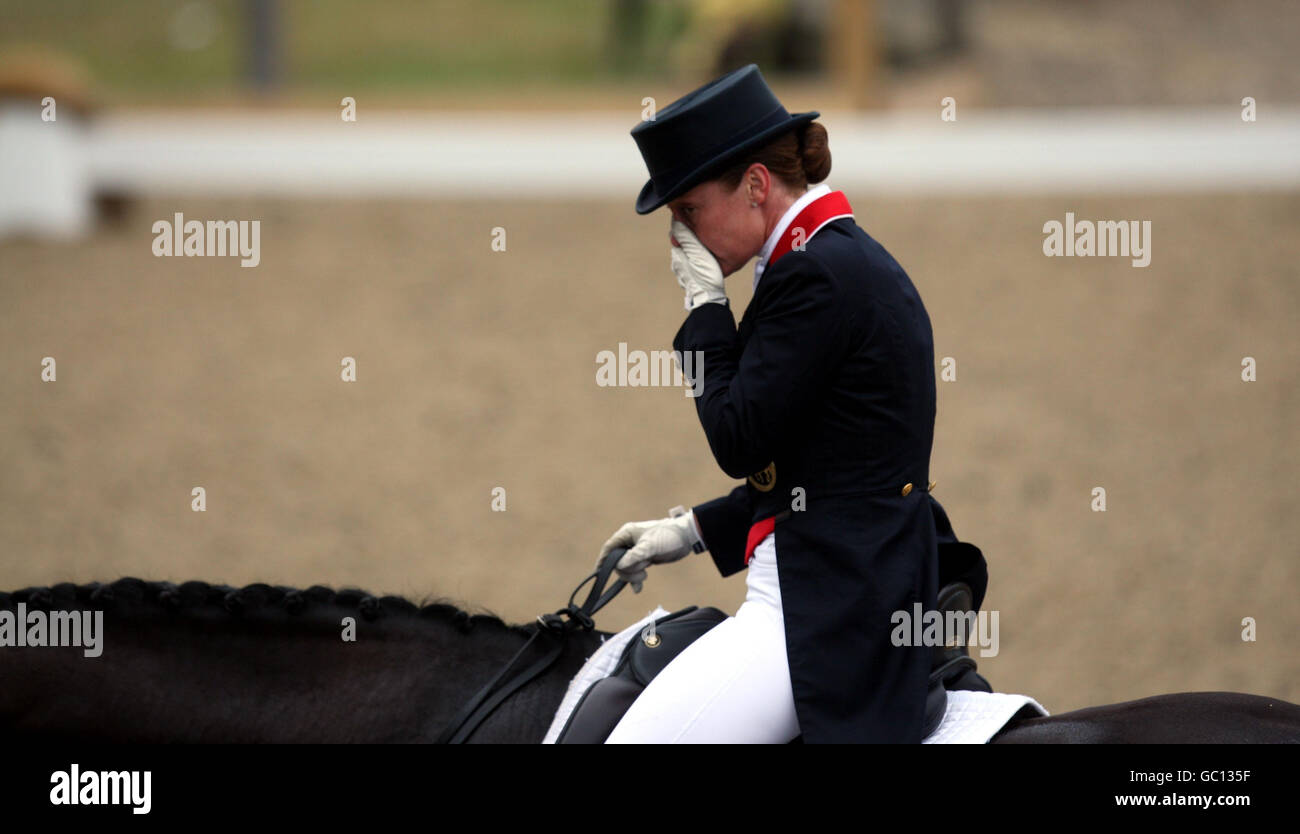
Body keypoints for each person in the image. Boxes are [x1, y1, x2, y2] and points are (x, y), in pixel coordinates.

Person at [599, 64, 987, 743]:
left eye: (689, 211)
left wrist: (704, 307)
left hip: (822, 605)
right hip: (842, 575)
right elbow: (822, 466)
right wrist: (691, 531)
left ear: (754, 185)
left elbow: (739, 438)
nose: (679, 239)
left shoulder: (815, 275)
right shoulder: (834, 260)